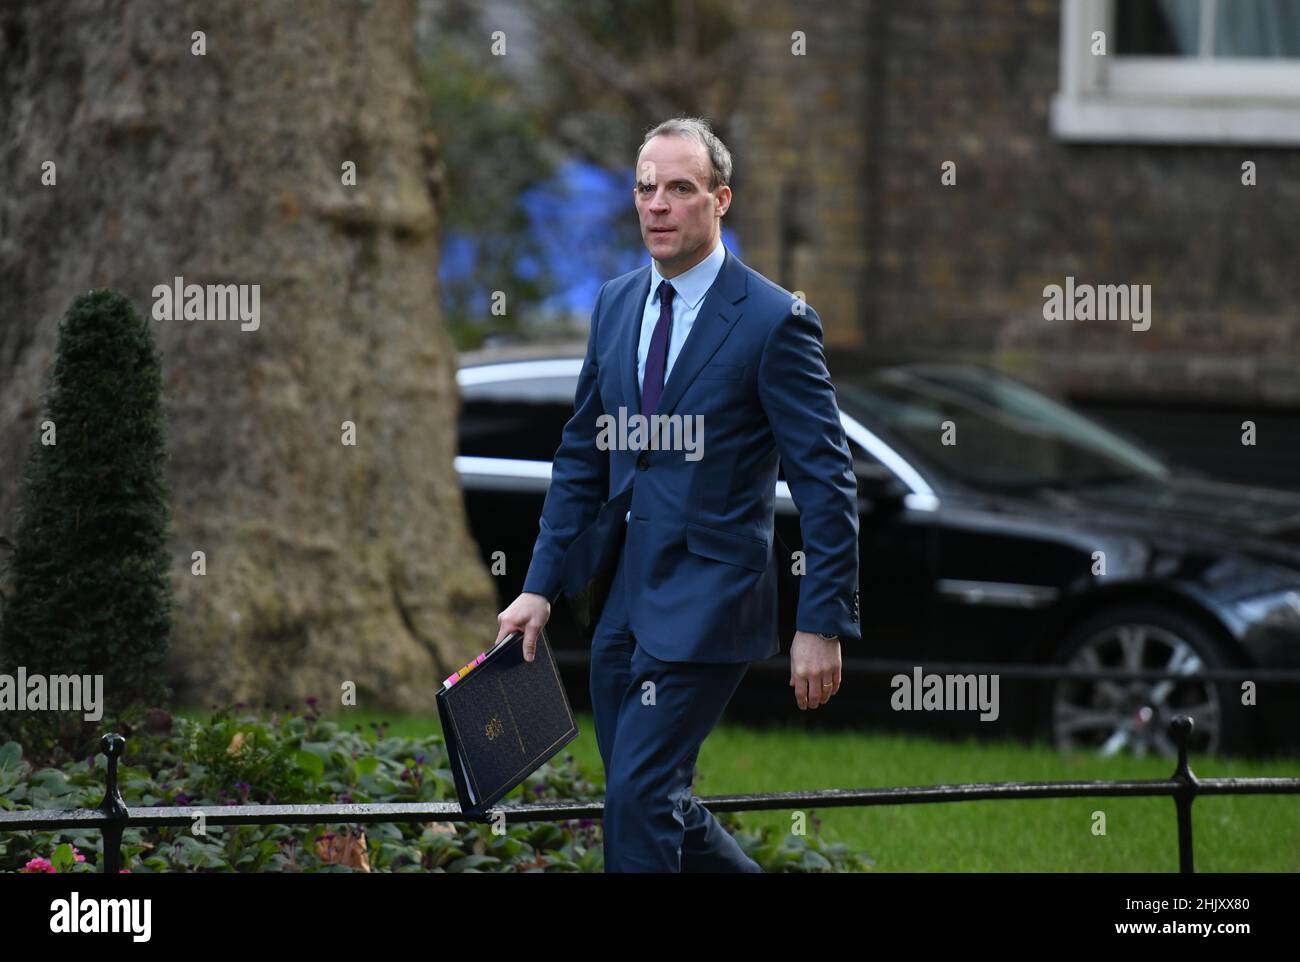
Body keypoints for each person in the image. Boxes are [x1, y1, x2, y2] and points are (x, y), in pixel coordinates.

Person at [495, 116, 860, 872]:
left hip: (712, 597)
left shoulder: (774, 321)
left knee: (637, 794)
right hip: (621, 596)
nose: (657, 204)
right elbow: (581, 456)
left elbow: (826, 479)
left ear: (720, 199)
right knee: (650, 795)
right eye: (645, 187)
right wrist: (538, 588)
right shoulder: (616, 304)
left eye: (680, 189)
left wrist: (820, 623)